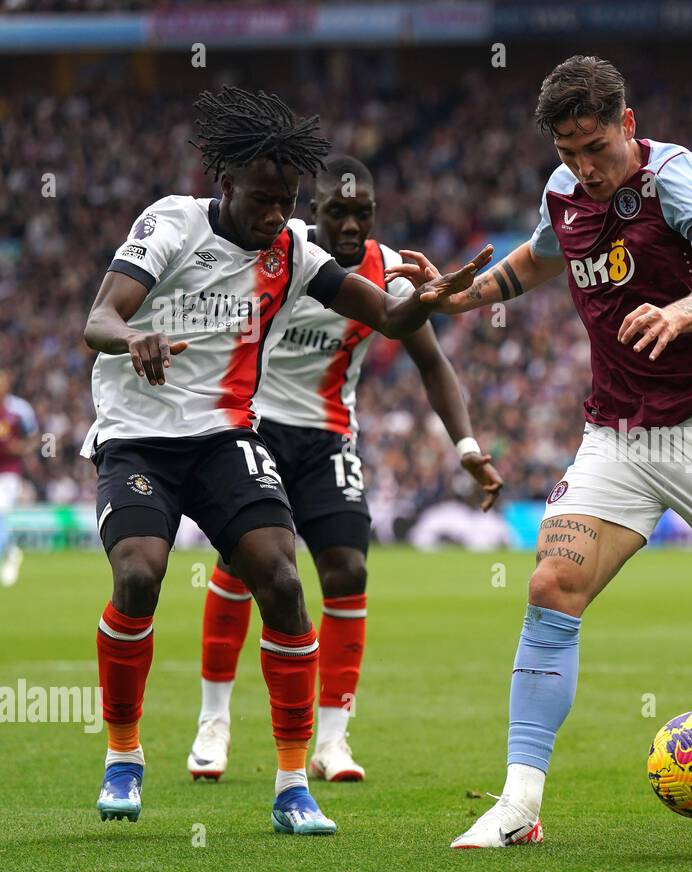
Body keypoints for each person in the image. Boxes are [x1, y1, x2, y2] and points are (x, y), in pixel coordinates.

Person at [387, 55, 692, 849]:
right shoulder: (562, 193)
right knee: (551, 582)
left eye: (596, 148)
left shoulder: (680, 179)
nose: (583, 167)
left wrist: (682, 312)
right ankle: (519, 803)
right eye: (567, 151)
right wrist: (460, 295)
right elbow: (543, 256)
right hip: (617, 430)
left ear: (627, 124)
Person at [82, 87, 489, 834]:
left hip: (225, 435)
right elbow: (99, 317)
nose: (277, 216)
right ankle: (124, 754)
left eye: (286, 201)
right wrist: (131, 337)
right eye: (264, 200)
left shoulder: (291, 251)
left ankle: (295, 782)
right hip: (137, 436)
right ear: (226, 183)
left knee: (280, 574)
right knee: (139, 573)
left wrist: (432, 296)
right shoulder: (171, 223)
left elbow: (390, 316)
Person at [187, 155, 504, 783]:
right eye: (338, 211)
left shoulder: (391, 273)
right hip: (257, 427)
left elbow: (433, 364)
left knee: (349, 568)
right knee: (242, 562)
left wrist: (467, 447)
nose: (353, 224)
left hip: (330, 437)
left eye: (364, 212)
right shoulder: (282, 255)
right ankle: (213, 722)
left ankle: (333, 739)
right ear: (314, 210)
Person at [0, 369, 38, 588]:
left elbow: (36, 438)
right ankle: (12, 551)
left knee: (2, 510)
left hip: (9, 472)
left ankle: (9, 553)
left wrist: (21, 448)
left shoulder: (19, 409)